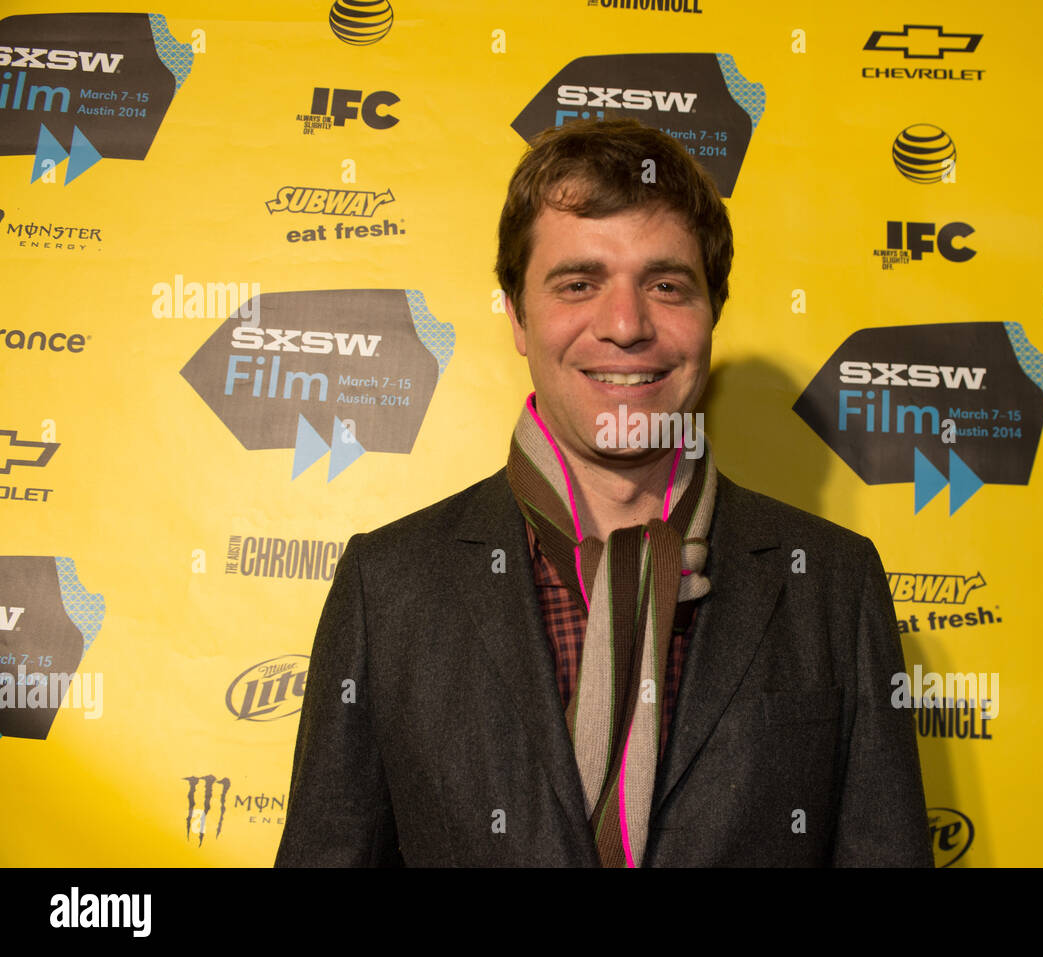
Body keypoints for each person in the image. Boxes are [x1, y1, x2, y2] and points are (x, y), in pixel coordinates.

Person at [275, 118, 930, 867]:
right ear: (518, 316)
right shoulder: (387, 586)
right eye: (579, 283)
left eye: (666, 284)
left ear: (712, 311)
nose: (625, 325)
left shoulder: (835, 586)